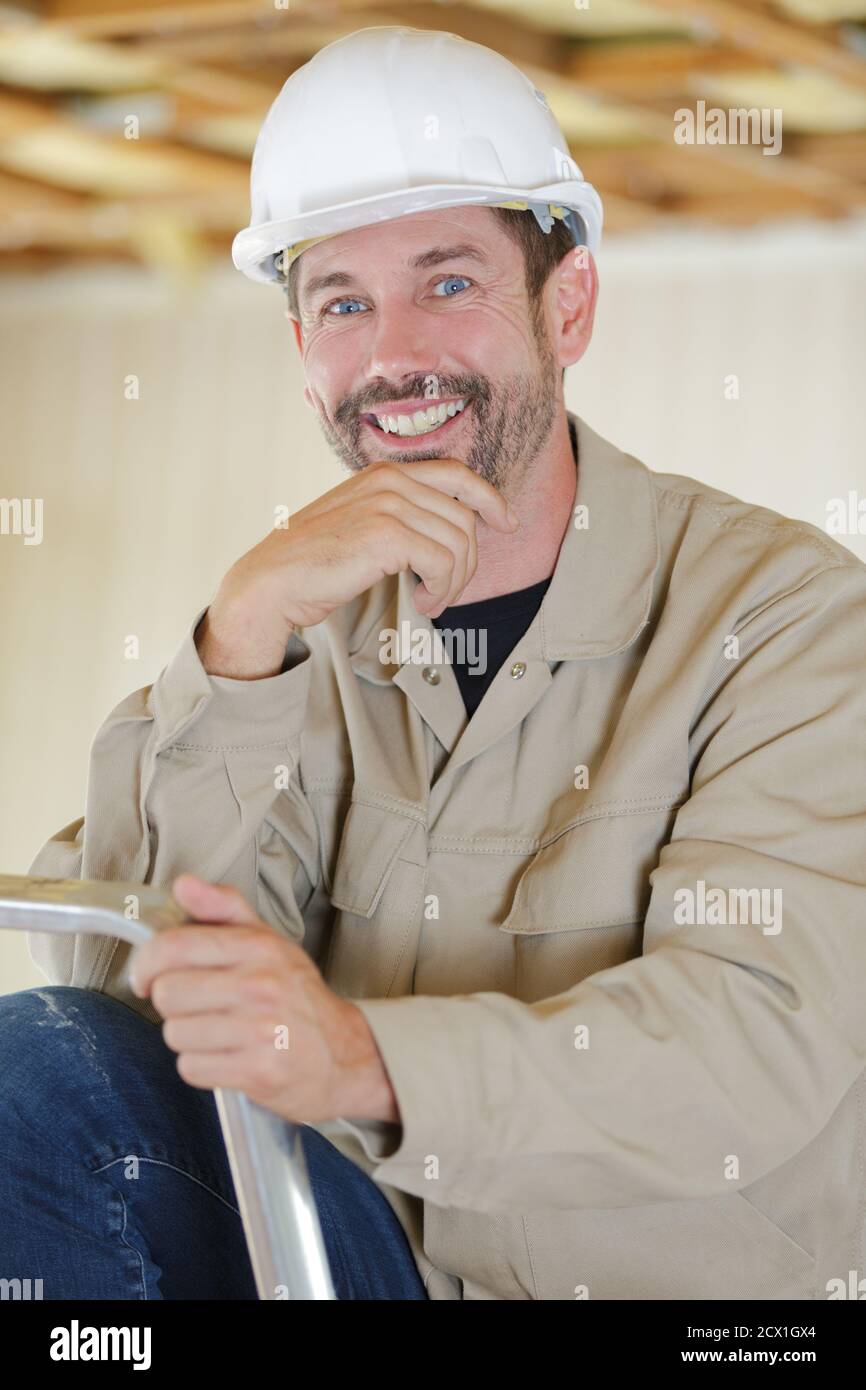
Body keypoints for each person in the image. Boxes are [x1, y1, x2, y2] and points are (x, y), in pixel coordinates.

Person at [5, 25, 866, 1302]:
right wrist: (239, 643)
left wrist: (360, 1059)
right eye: (342, 302)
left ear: (564, 305)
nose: (392, 351)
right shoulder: (293, 636)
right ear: (303, 356)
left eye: (448, 282)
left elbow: (748, 1041)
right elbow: (118, 1036)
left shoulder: (785, 620)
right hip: (332, 1263)